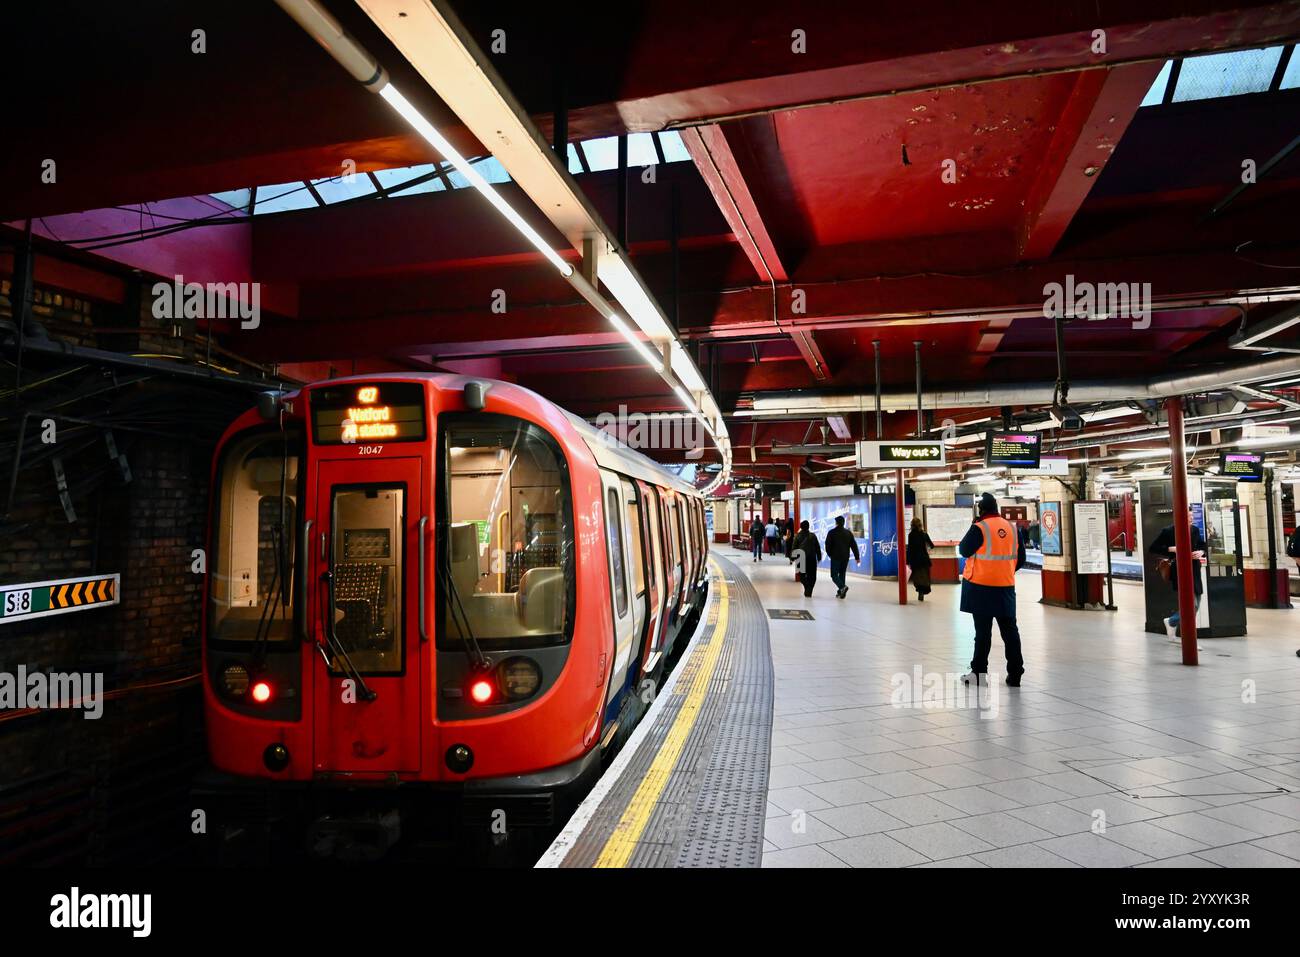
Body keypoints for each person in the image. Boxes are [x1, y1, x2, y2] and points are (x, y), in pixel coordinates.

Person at [959, 493, 1026, 688]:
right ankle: (1015, 673)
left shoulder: (980, 528)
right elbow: (1020, 559)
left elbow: (963, 550)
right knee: (1010, 632)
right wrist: (1003, 571)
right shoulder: (1012, 529)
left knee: (983, 633)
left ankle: (979, 673)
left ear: (981, 510)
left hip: (980, 588)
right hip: (1005, 587)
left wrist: (974, 525)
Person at [1148, 506, 1205, 643]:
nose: (1191, 519)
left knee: (1197, 603)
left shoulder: (1195, 530)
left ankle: (1172, 622)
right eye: (1188, 516)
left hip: (1195, 570)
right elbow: (1153, 548)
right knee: (1192, 605)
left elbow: (1202, 545)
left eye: (1192, 516)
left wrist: (1201, 552)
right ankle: (1188, 638)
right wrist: (1170, 548)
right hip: (1180, 570)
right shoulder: (1168, 531)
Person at [824, 515, 861, 599]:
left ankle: (842, 587)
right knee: (842, 574)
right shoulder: (848, 533)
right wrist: (857, 557)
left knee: (834, 575)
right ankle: (841, 593)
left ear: (836, 523)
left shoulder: (831, 532)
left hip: (835, 557)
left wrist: (830, 554)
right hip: (845, 557)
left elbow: (827, 545)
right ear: (843, 523)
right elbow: (854, 546)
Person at [906, 517, 935, 601]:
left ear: (912, 525)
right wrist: (927, 547)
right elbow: (932, 545)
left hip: (915, 560)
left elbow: (910, 549)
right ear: (920, 525)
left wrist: (908, 561)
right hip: (924, 559)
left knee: (917, 576)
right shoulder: (924, 534)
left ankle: (920, 591)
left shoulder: (910, 535)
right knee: (924, 576)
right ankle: (922, 591)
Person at [793, 520, 822, 597]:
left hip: (800, 558)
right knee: (812, 576)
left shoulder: (797, 536)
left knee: (801, 575)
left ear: (801, 527)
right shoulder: (813, 536)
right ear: (808, 527)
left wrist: (792, 557)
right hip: (812, 558)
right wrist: (819, 556)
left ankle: (807, 587)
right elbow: (817, 547)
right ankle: (809, 589)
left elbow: (794, 547)